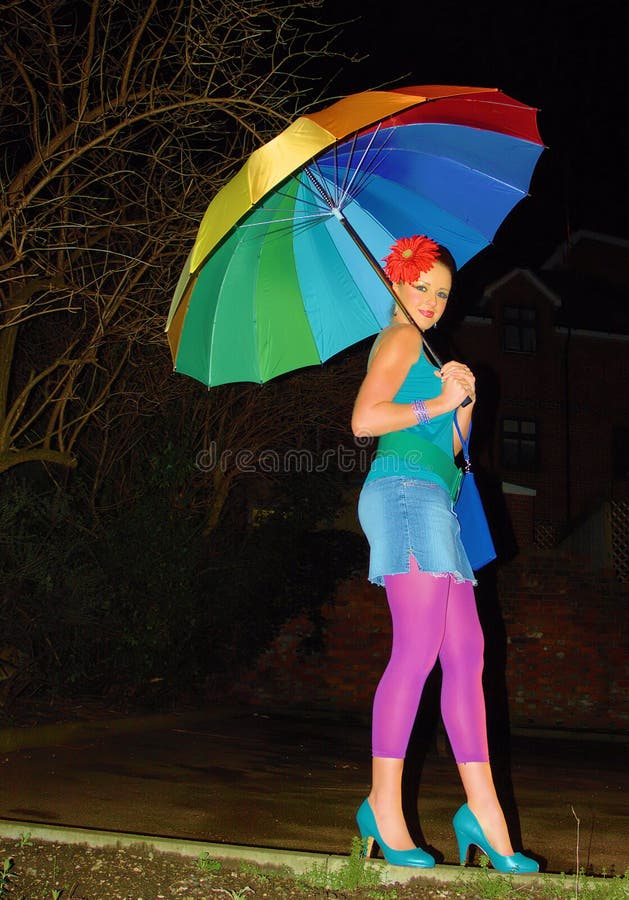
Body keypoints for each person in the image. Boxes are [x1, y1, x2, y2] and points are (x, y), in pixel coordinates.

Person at [350, 234, 538, 874]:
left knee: (467, 654)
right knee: (418, 648)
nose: (431, 300)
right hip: (403, 493)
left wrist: (465, 403)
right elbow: (365, 420)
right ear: (396, 283)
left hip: (435, 498)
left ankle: (484, 816)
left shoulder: (431, 355)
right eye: (421, 286)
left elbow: (452, 452)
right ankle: (383, 807)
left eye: (443, 293)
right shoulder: (400, 338)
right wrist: (436, 401)